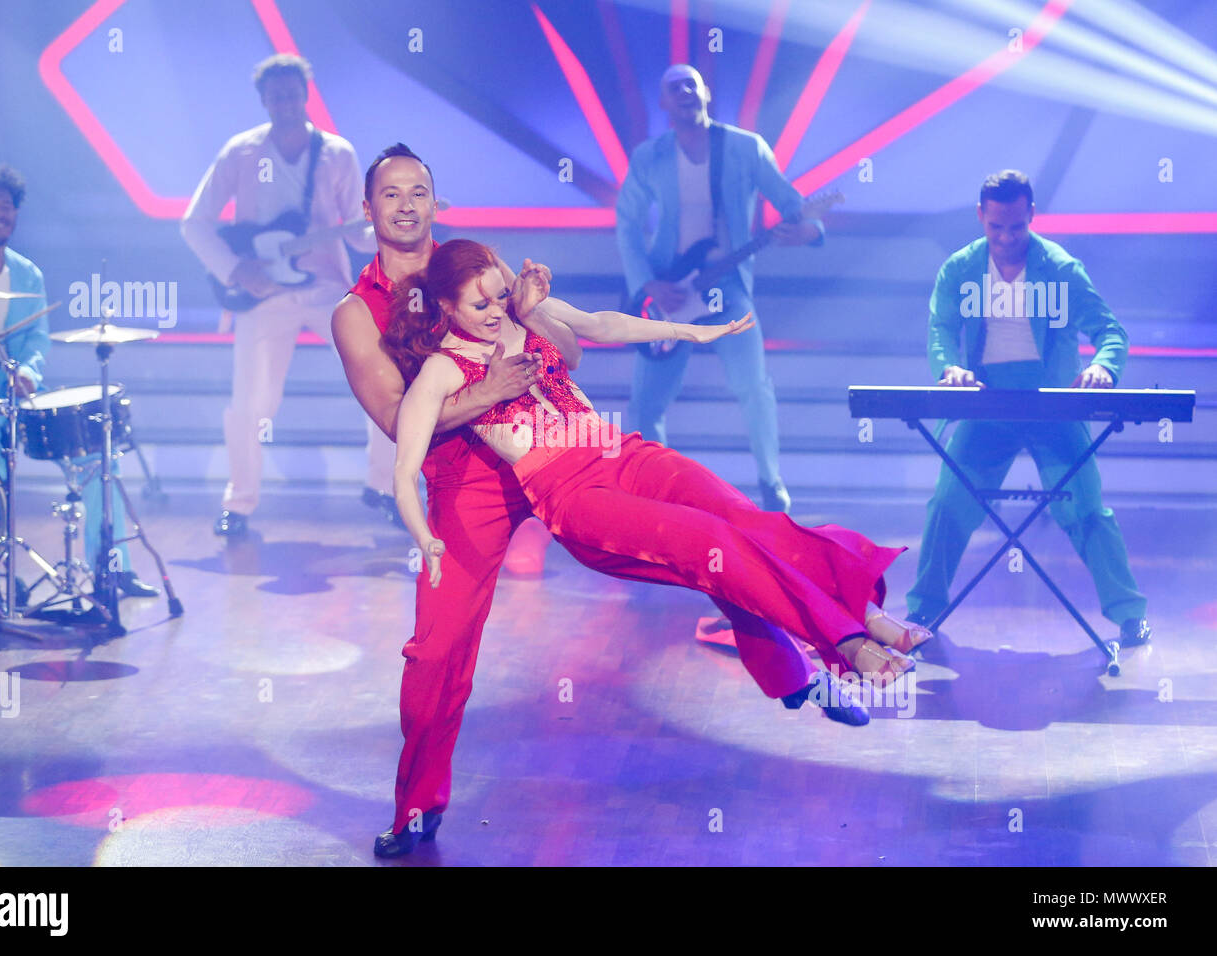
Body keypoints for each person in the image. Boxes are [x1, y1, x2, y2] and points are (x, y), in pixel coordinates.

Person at [331, 147, 871, 861]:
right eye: (390, 194)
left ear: (437, 203)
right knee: (437, 652)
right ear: (366, 210)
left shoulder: (474, 270)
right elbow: (402, 420)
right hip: (468, 483)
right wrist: (485, 394)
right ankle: (417, 806)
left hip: (565, 448)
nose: (406, 205)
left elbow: (569, 356)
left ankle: (795, 675)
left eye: (419, 191)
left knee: (703, 544)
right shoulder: (356, 312)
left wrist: (530, 314)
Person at [905, 170, 1149, 646]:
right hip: (986, 406)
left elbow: (1110, 332)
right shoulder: (960, 268)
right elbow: (940, 331)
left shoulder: (1060, 268)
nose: (1006, 237)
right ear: (981, 216)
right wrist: (949, 368)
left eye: (1016, 227)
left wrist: (1104, 366)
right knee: (948, 505)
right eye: (996, 227)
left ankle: (1129, 615)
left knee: (1087, 510)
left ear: (1031, 217)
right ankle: (921, 616)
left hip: (1051, 408)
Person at [0, 164, 158, 598]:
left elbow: (36, 342)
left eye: (7, 207)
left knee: (99, 453)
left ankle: (111, 567)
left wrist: (27, 372)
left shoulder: (28, 273)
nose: (1, 214)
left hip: (11, 396)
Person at [616, 64, 826, 513]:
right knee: (646, 402)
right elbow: (627, 223)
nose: (686, 92)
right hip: (669, 289)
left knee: (754, 384)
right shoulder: (649, 157)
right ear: (664, 103)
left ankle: (772, 484)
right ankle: (658, 490)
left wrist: (813, 229)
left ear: (707, 92)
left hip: (726, 286)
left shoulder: (746, 148)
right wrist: (647, 283)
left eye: (692, 84)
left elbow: (791, 203)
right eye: (675, 88)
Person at [181, 54, 376, 537]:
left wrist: (396, 230)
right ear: (264, 100)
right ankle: (239, 502)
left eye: (293, 93)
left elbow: (357, 232)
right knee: (251, 402)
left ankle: (384, 486)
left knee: (381, 371)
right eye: (277, 95)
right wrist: (235, 269)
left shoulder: (337, 153)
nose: (287, 102)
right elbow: (194, 223)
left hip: (326, 287)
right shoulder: (241, 151)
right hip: (263, 293)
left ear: (305, 94)